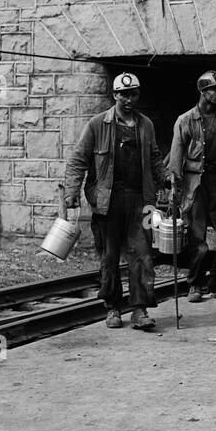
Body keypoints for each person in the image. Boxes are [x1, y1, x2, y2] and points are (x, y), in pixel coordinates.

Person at [63, 72, 166, 332]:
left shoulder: (146, 125)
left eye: (133, 94)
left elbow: (154, 157)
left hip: (140, 201)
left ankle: (140, 310)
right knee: (109, 258)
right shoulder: (98, 124)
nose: (129, 99)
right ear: (115, 95)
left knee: (142, 254)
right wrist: (71, 193)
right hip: (107, 201)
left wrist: (165, 182)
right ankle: (112, 308)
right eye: (123, 94)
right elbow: (78, 160)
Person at [167, 70, 216, 303]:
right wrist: (174, 188)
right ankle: (195, 284)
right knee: (198, 240)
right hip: (195, 185)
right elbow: (176, 158)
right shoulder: (185, 120)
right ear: (202, 91)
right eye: (214, 89)